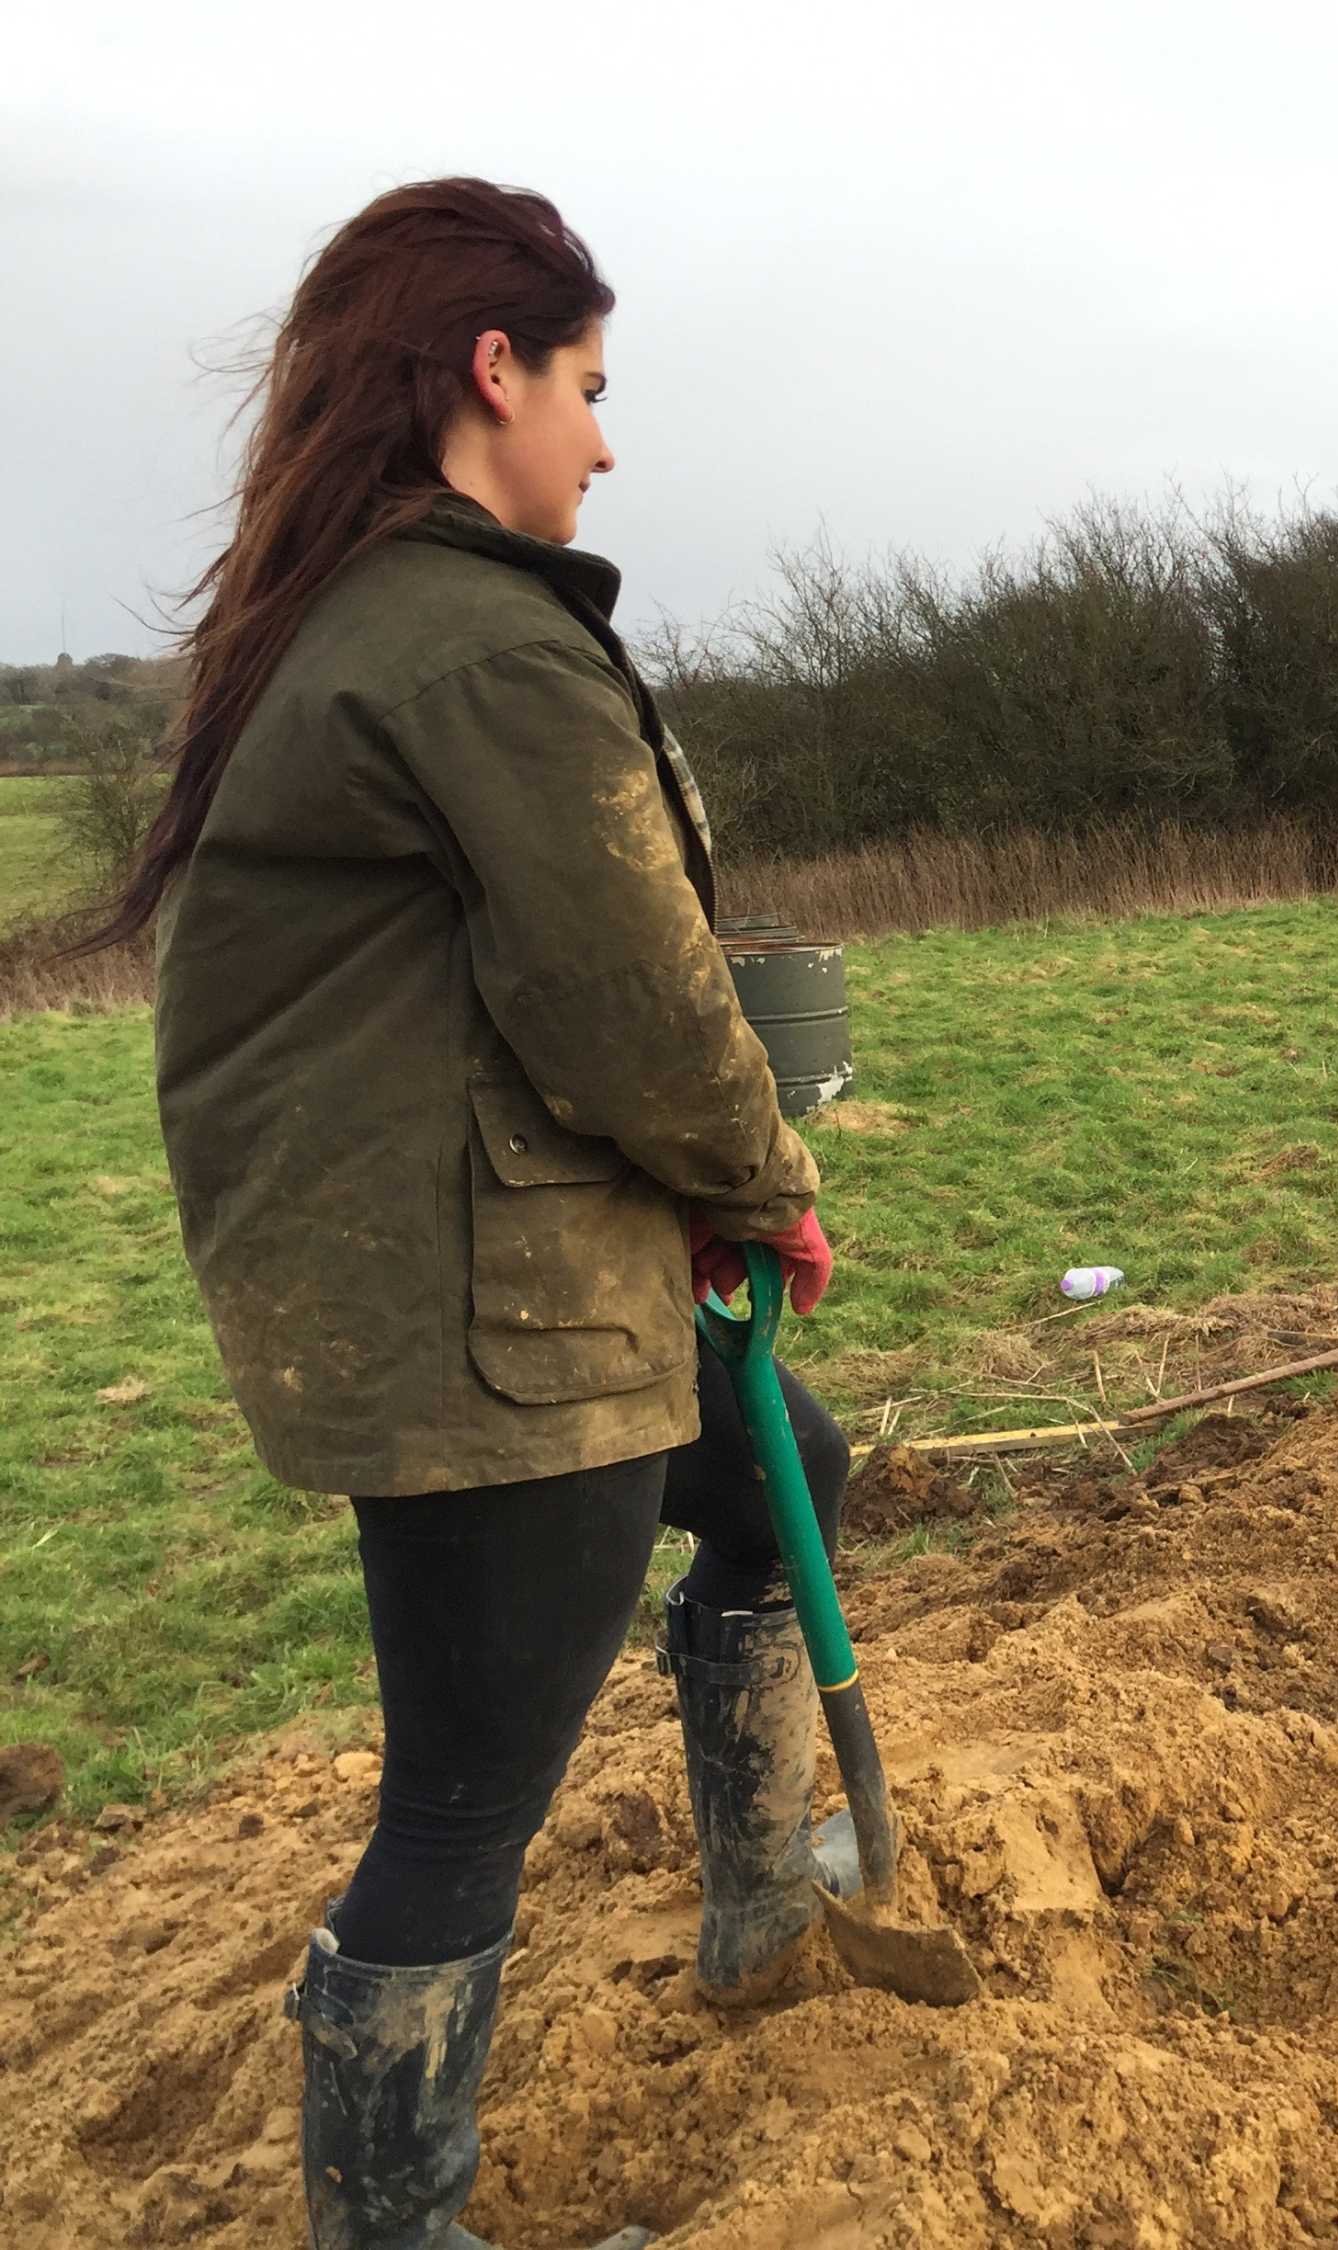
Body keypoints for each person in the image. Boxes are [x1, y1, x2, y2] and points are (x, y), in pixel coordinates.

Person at [98, 179, 856, 2250]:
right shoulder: (471, 651)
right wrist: (763, 1188)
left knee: (789, 1466)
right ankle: (398, 2223)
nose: (605, 442)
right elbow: (635, 996)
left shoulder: (369, 618)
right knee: (459, 1800)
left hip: (497, 1259)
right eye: (589, 388)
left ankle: (764, 1899)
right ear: (487, 371)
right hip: (476, 1319)